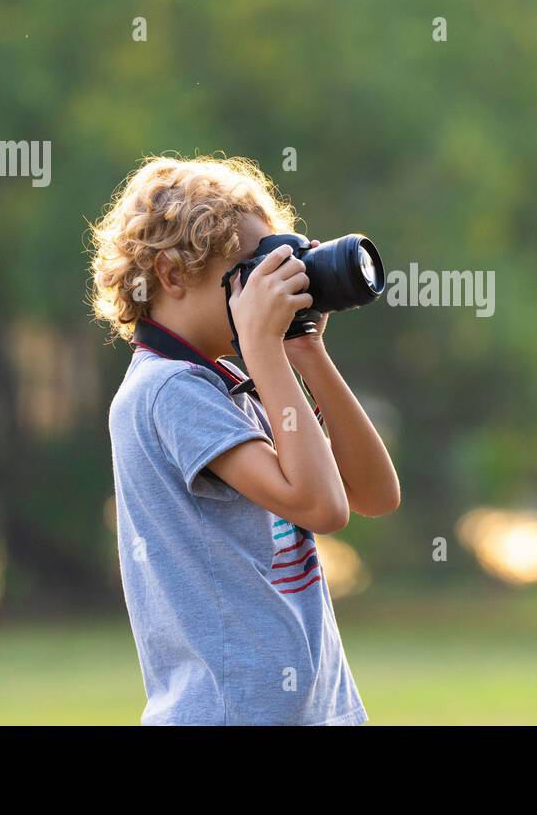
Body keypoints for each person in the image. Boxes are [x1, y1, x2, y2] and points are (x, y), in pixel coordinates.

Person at [88, 153, 400, 724]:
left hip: (309, 708)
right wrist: (263, 346)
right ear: (172, 275)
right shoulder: (167, 392)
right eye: (248, 275)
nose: (268, 290)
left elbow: (374, 495)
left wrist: (304, 349)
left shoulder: (230, 383)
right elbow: (322, 508)